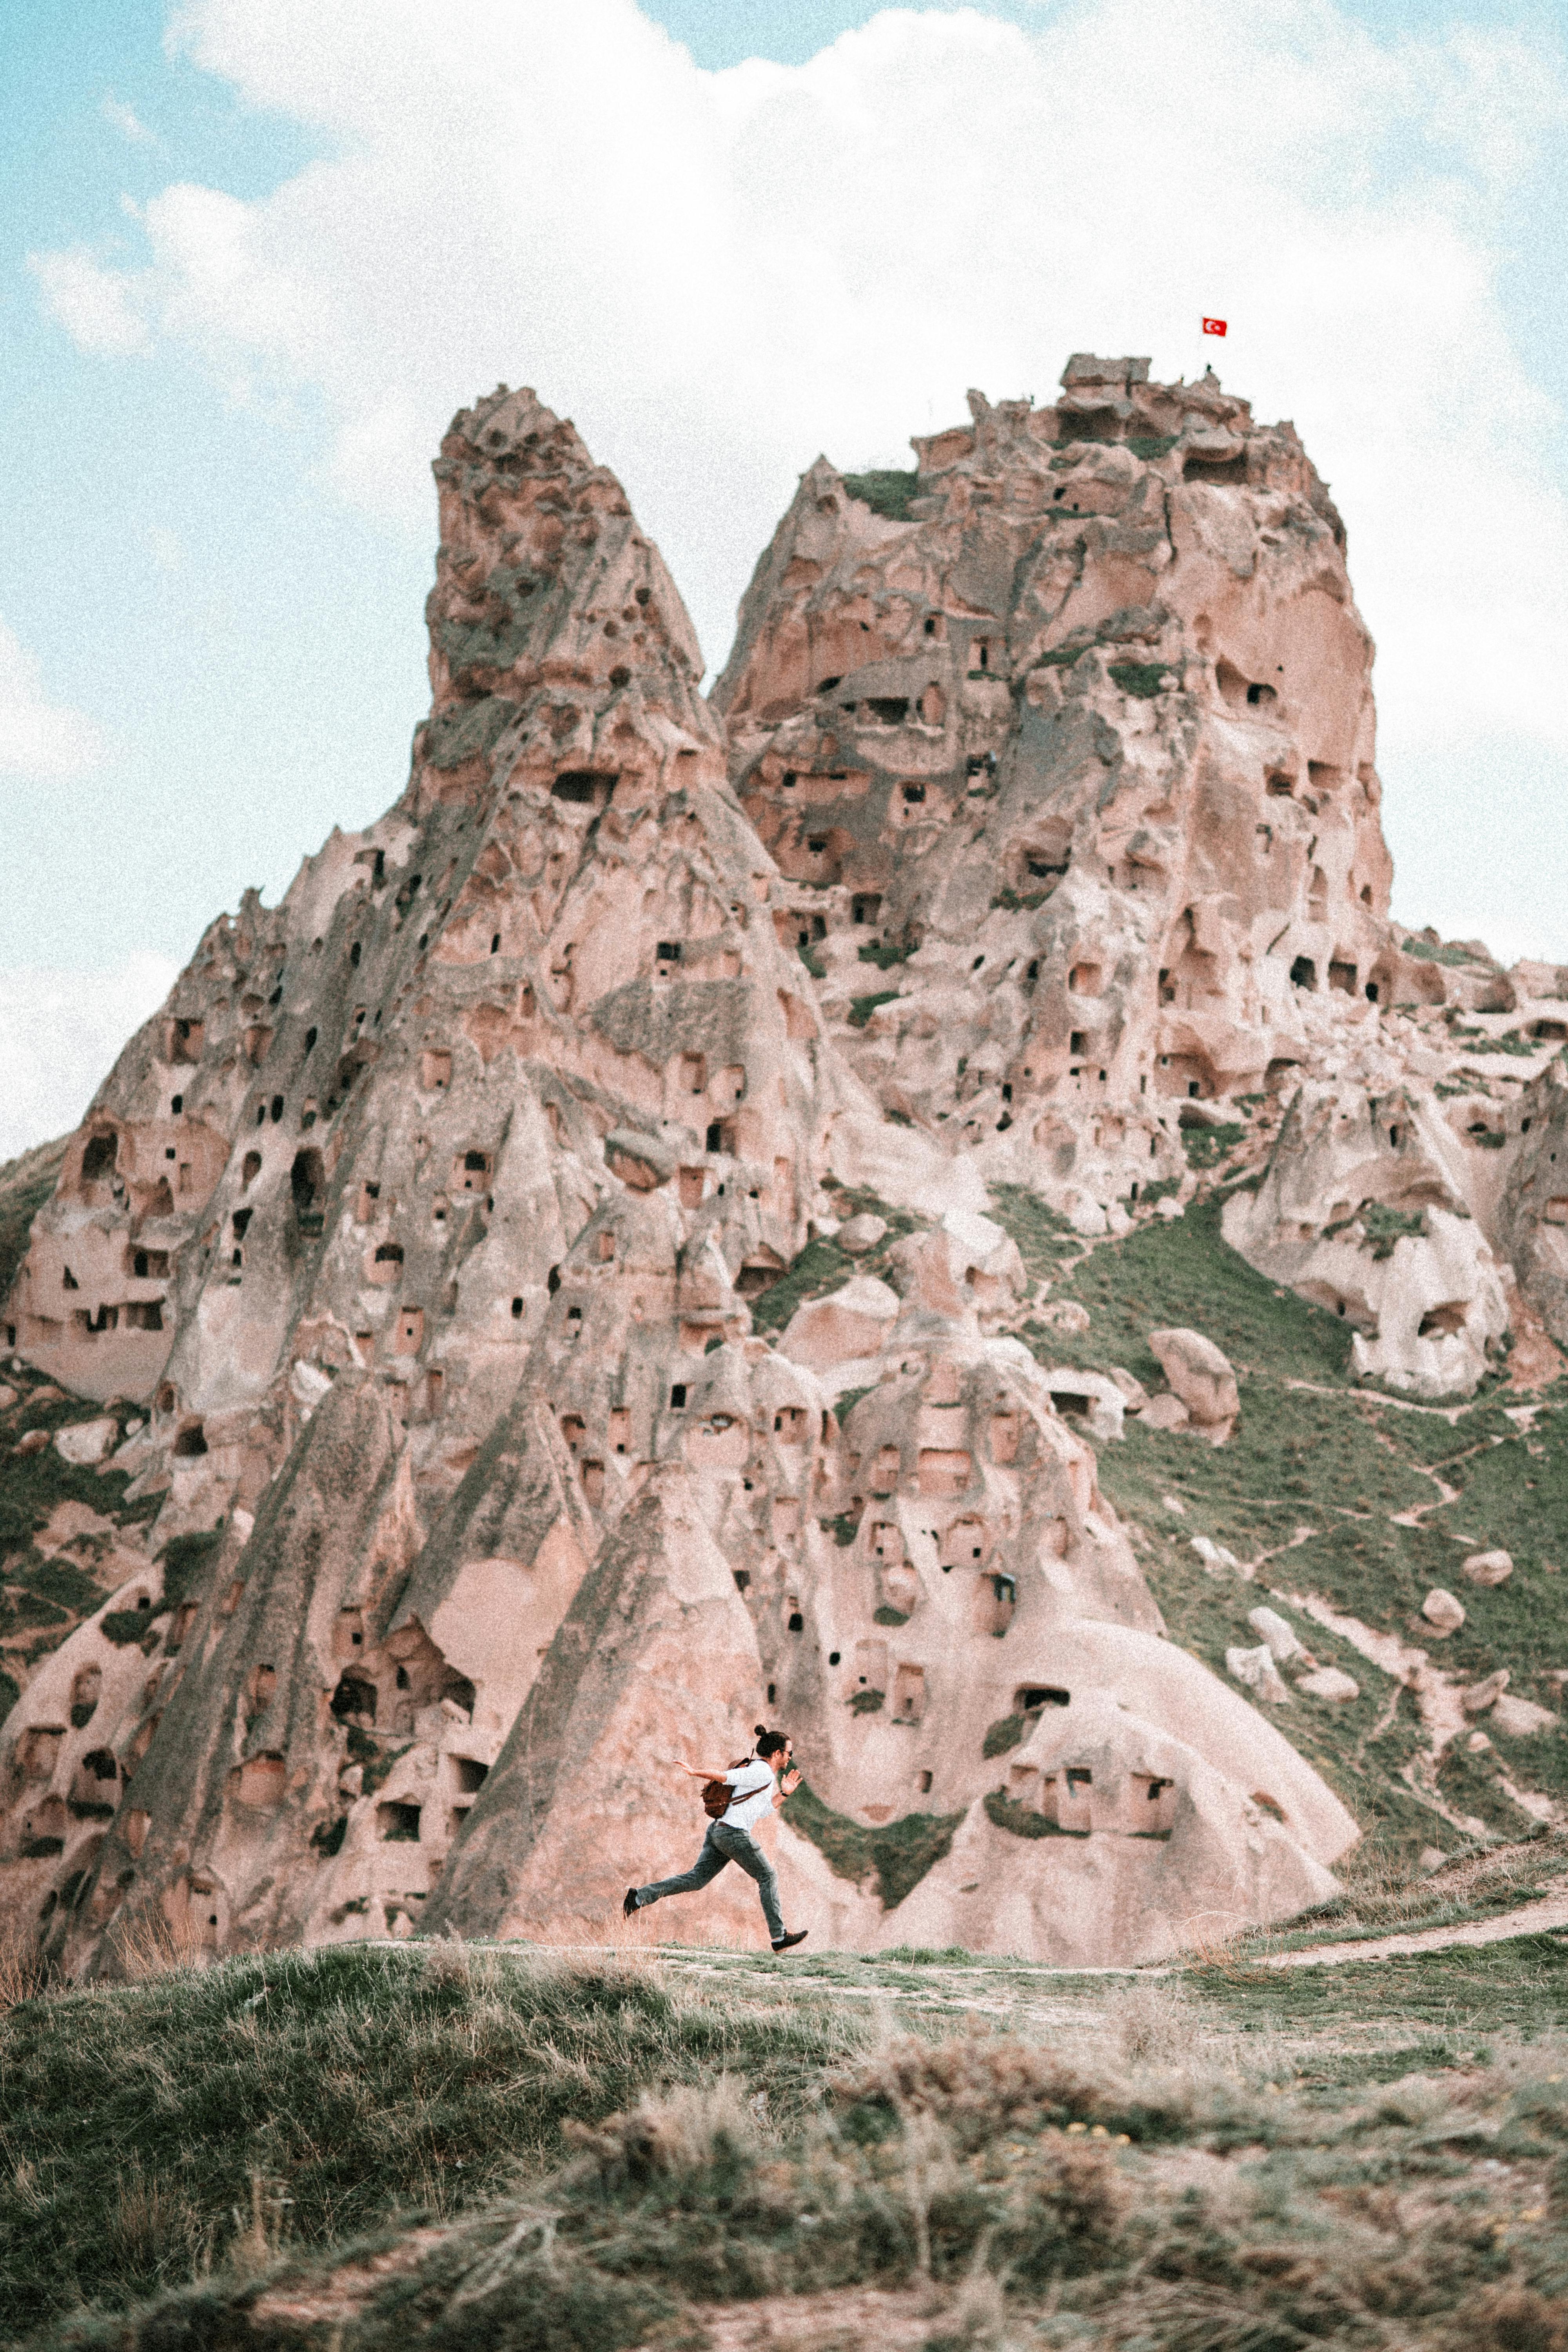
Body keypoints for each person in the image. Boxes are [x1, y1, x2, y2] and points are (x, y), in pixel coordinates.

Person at [624, 1726, 808, 1951]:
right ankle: (779, 1937)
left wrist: (785, 1793)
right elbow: (727, 1777)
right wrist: (695, 1772)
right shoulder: (760, 1771)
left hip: (719, 1831)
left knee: (696, 1879)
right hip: (733, 1833)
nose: (791, 1757)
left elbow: (762, 1812)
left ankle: (639, 1897)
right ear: (778, 1753)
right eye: (790, 1753)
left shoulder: (765, 1776)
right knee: (767, 1876)